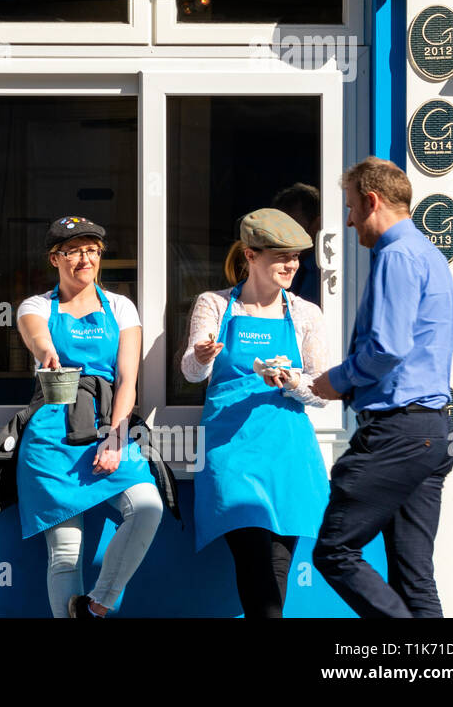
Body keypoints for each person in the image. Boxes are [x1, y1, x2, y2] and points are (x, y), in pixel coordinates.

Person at [310, 158, 453, 618]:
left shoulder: (395, 255)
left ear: (372, 201)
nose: (350, 220)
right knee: (415, 580)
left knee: (334, 550)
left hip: (397, 434)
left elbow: (386, 349)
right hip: (431, 432)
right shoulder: (429, 253)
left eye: (352, 207)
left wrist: (332, 382)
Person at [182, 209, 330, 618]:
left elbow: (321, 393)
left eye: (296, 257)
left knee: (276, 569)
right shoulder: (213, 305)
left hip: (288, 453)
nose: (291, 265)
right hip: (232, 453)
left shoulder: (306, 314)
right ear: (250, 255)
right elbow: (192, 374)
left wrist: (291, 382)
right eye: (280, 256)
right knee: (253, 558)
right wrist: (201, 355)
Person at [15, 216, 163, 619]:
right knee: (65, 553)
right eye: (74, 250)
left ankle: (96, 605)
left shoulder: (120, 307)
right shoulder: (37, 306)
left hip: (107, 424)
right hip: (51, 436)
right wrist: (46, 351)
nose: (85, 258)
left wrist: (116, 438)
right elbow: (33, 332)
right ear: (55, 258)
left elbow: (128, 379)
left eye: (92, 250)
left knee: (147, 506)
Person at [272, 183, 322, 304]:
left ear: (317, 225)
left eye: (293, 227)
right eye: (280, 226)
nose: (283, 235)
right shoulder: (275, 265)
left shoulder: (327, 271)